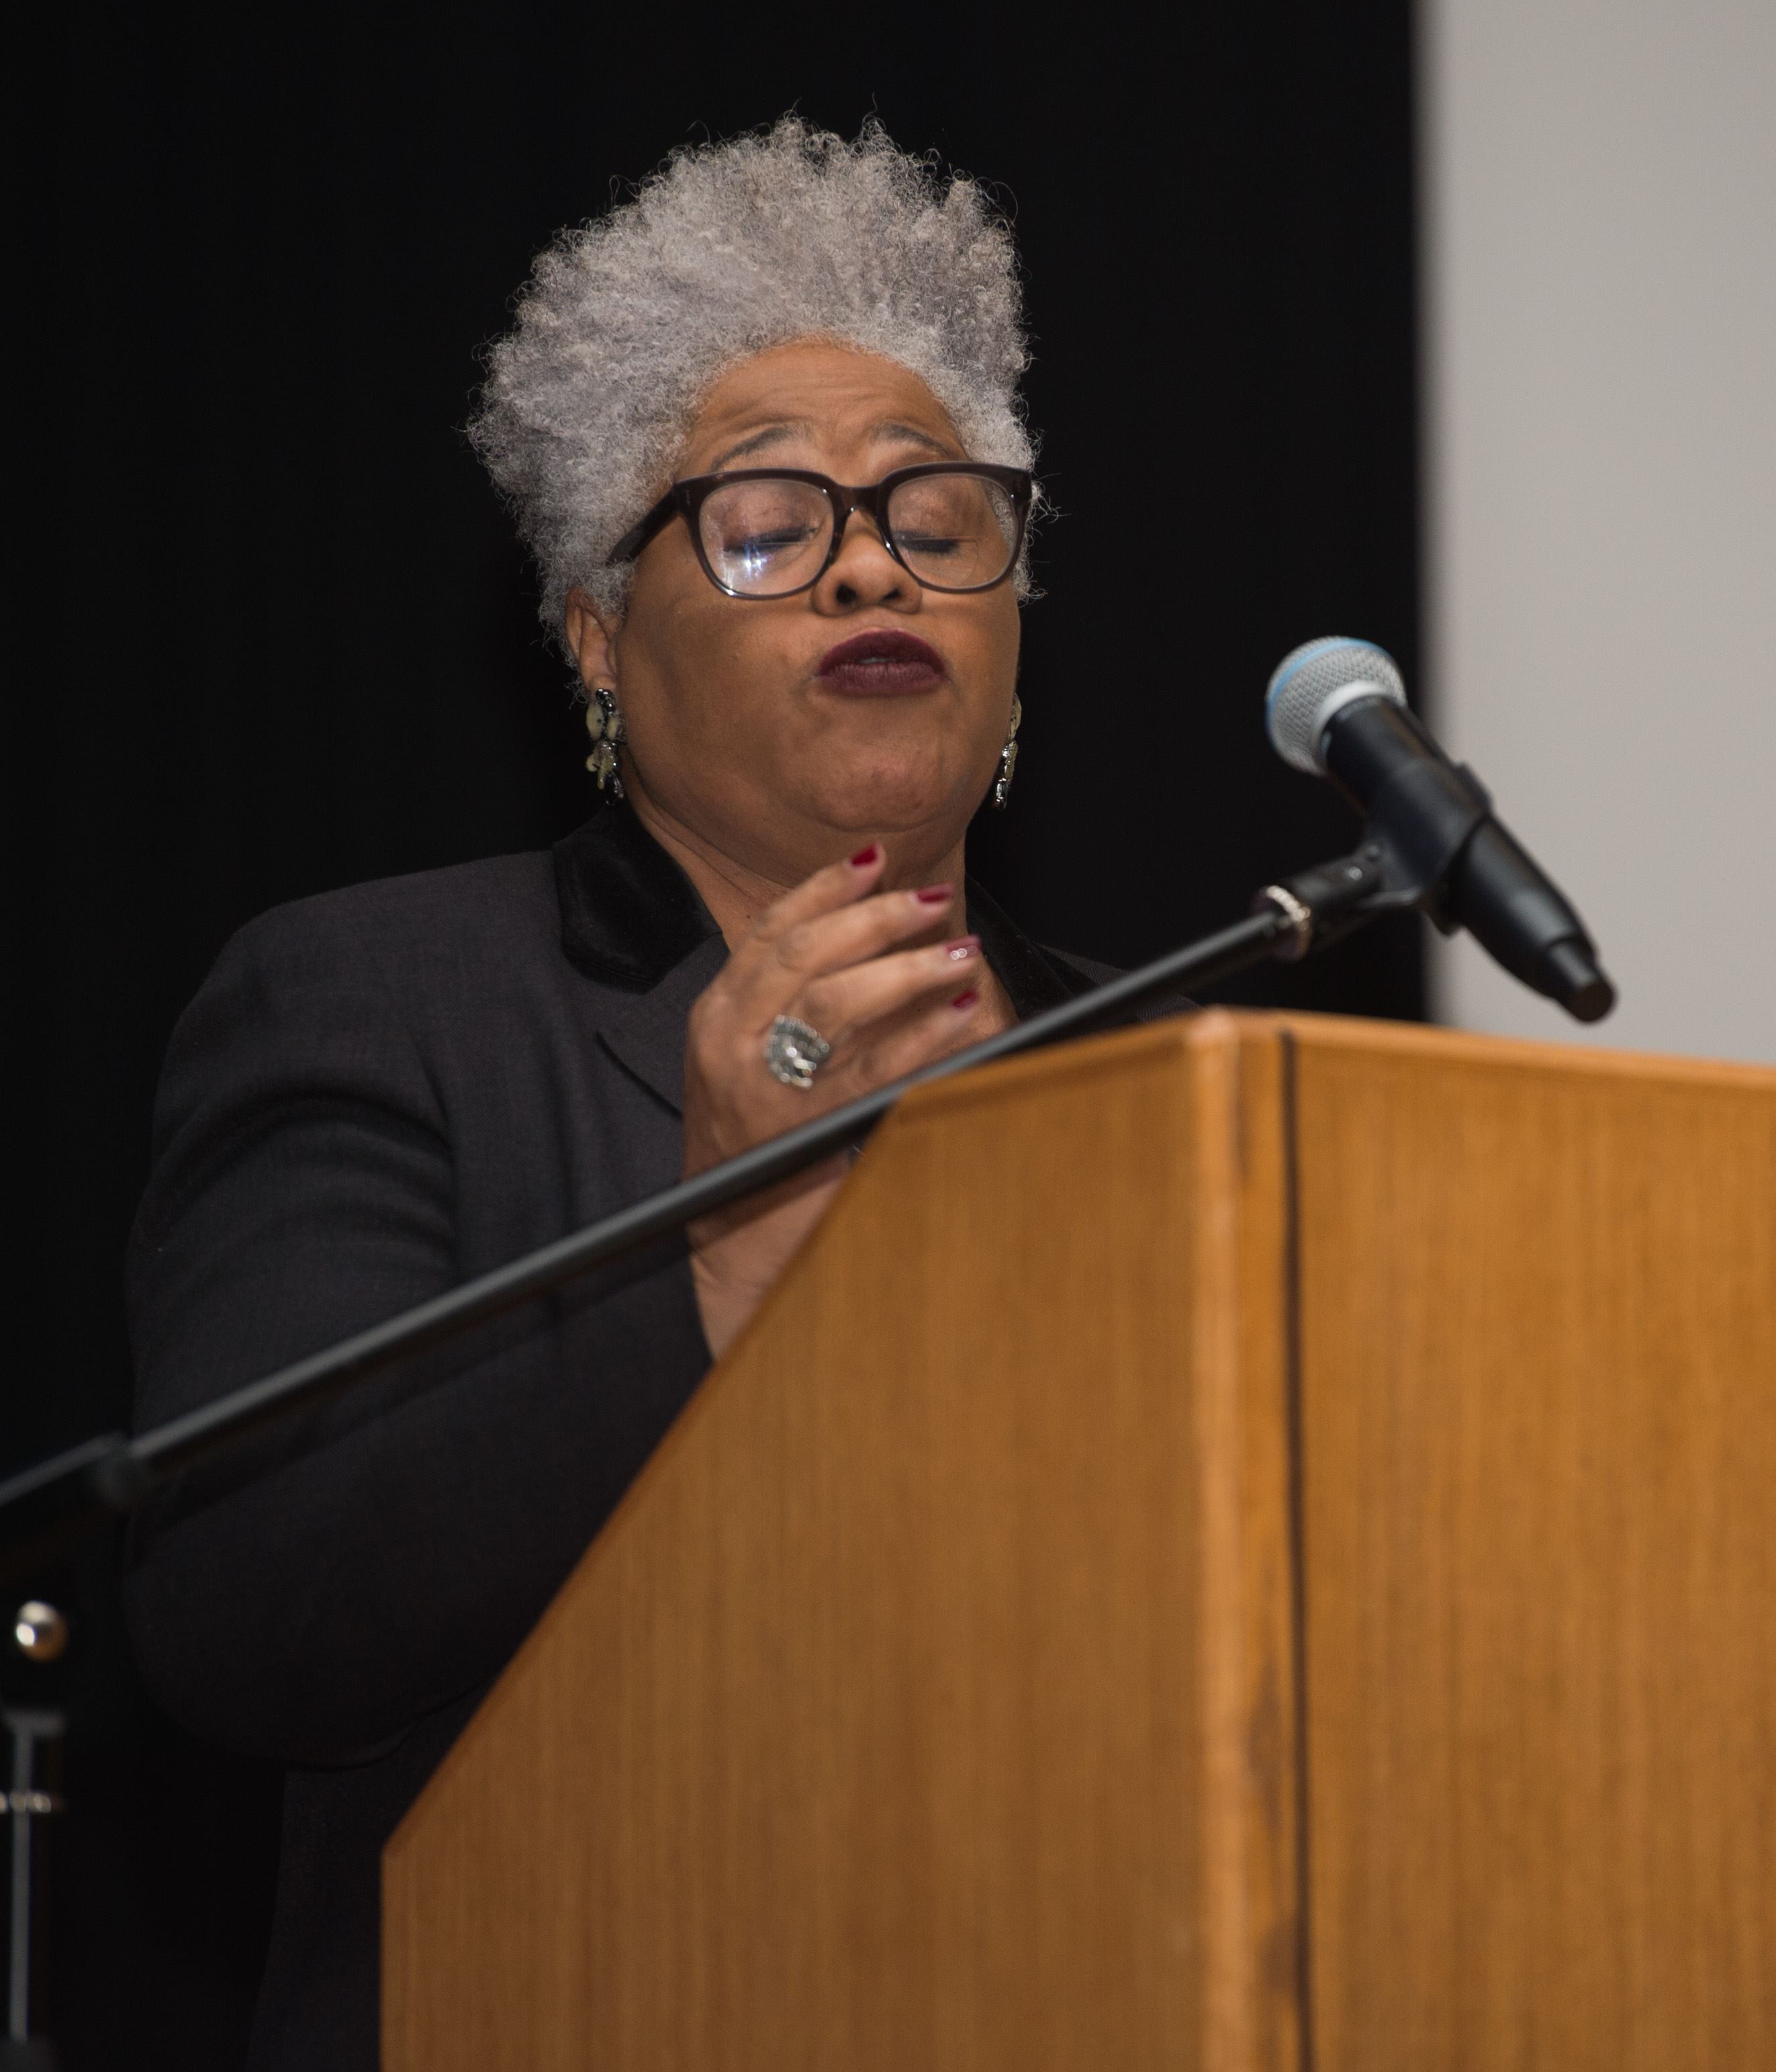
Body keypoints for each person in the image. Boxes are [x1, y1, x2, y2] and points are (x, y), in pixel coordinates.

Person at [121, 119, 1164, 2072]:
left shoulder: (1167, 1075)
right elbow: (249, 1610)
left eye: (936, 520)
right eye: (768, 523)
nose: (873, 558)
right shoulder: (388, 1005)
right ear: (600, 641)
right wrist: (719, 1259)